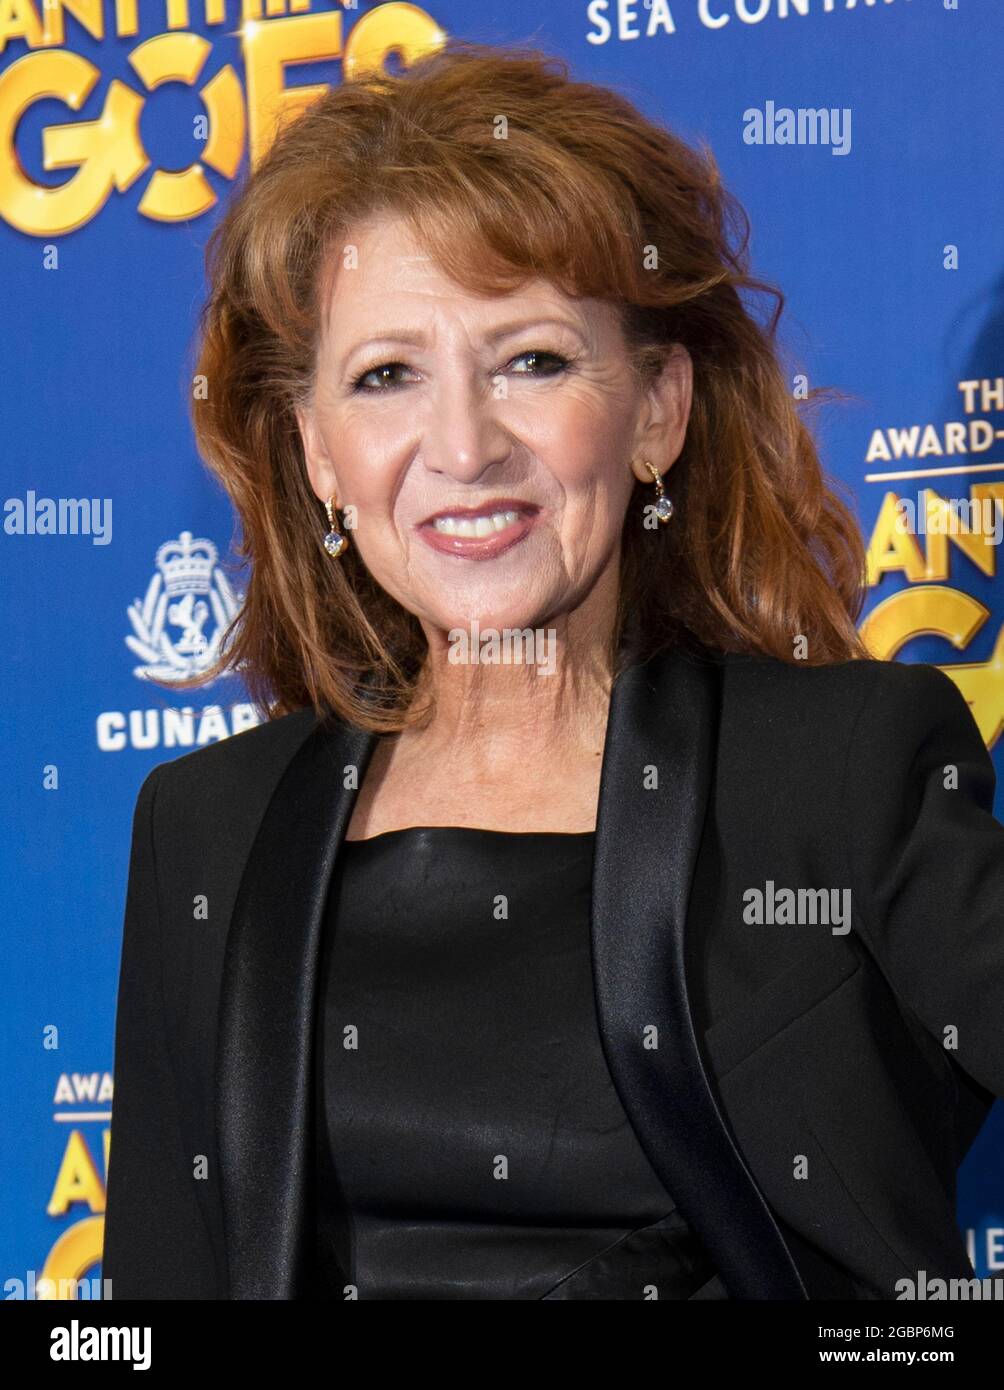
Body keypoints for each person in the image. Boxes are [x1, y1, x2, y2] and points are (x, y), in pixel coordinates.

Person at [101, 39, 1004, 1301]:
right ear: (317, 455)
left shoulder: (838, 772)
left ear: (653, 411)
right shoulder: (207, 828)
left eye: (529, 359)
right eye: (386, 377)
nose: (462, 447)